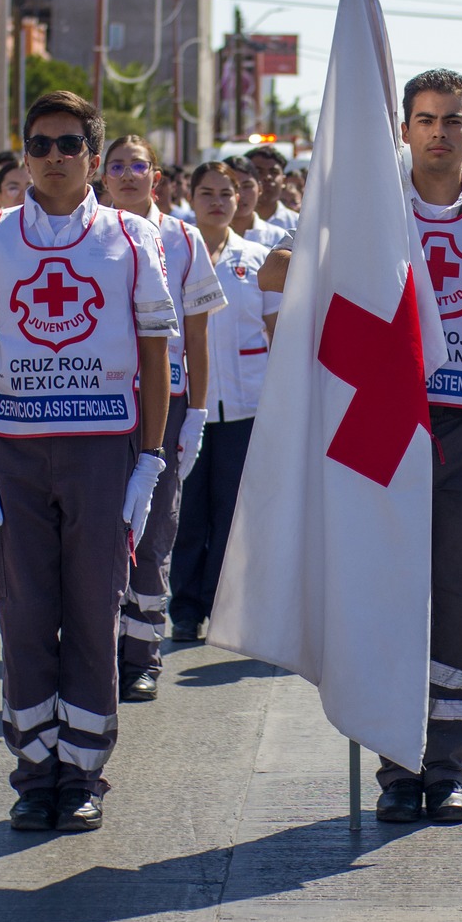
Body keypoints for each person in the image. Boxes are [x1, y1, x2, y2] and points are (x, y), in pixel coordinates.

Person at [261, 69, 462, 824]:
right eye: (424, 119)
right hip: (387, 420)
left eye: (452, 120)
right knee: (386, 598)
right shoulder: (371, 218)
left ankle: (449, 765)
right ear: (404, 127)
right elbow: (280, 276)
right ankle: (398, 766)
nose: (437, 133)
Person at [0, 90, 177, 834]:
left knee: (91, 610)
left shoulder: (132, 238)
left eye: (69, 144)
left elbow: (153, 351)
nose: (53, 158)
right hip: (14, 451)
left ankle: (81, 770)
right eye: (39, 144)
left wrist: (149, 462)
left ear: (93, 152)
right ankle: (33, 769)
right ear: (23, 152)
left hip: (102, 449)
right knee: (24, 612)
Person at [103, 134, 224, 701]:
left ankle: (143, 654)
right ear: (103, 176)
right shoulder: (89, 235)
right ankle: (98, 648)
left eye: (139, 166)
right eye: (118, 165)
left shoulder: (182, 238)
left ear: (157, 178)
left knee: (155, 530)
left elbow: (197, 336)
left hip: (168, 407)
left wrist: (197, 411)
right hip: (99, 406)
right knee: (102, 530)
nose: (128, 175)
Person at [169, 161, 278, 643]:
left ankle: (224, 606)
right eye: (206, 192)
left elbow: (277, 334)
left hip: (246, 407)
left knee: (233, 512)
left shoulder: (258, 258)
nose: (216, 201)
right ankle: (185, 608)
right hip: (189, 406)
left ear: (239, 200)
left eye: (225, 194)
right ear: (190, 198)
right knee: (187, 511)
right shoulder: (170, 254)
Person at [223, 155, 290, 248]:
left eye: (247, 186)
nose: (240, 194)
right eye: (233, 187)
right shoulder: (202, 236)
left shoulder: (279, 238)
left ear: (259, 189)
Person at [245, 143, 300, 229]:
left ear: (284, 181)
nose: (267, 177)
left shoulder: (297, 224)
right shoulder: (231, 222)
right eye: (259, 171)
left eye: (274, 172)